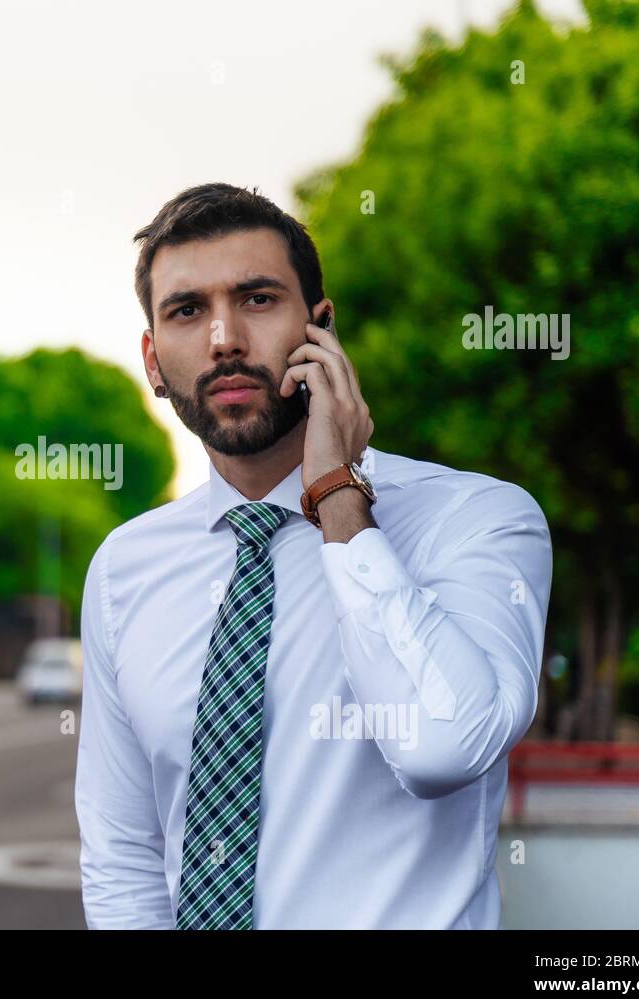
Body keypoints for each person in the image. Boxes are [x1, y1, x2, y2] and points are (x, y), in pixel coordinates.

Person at [74, 183, 552, 930]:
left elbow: (443, 744)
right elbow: (124, 852)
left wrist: (337, 493)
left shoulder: (477, 519)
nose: (224, 337)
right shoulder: (123, 569)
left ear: (322, 328)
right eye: (187, 310)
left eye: (257, 299)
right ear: (153, 360)